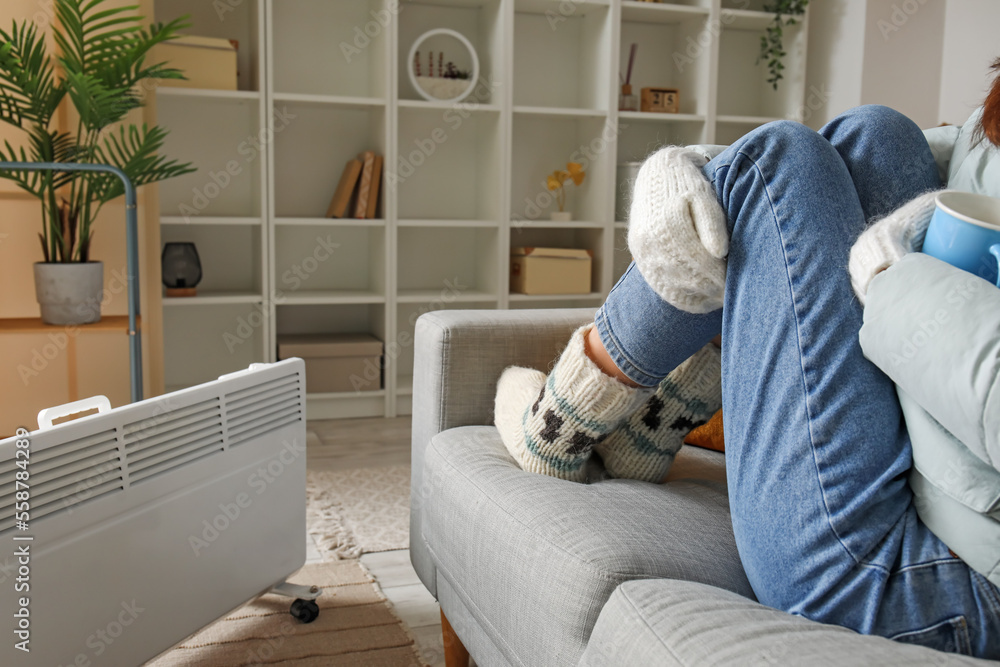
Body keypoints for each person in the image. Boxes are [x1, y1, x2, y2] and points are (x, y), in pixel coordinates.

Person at [494, 58, 1000, 659]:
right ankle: (649, 426)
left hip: (945, 584)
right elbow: (962, 161)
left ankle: (560, 422)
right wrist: (687, 167)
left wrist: (895, 279)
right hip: (938, 481)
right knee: (877, 134)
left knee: (773, 165)